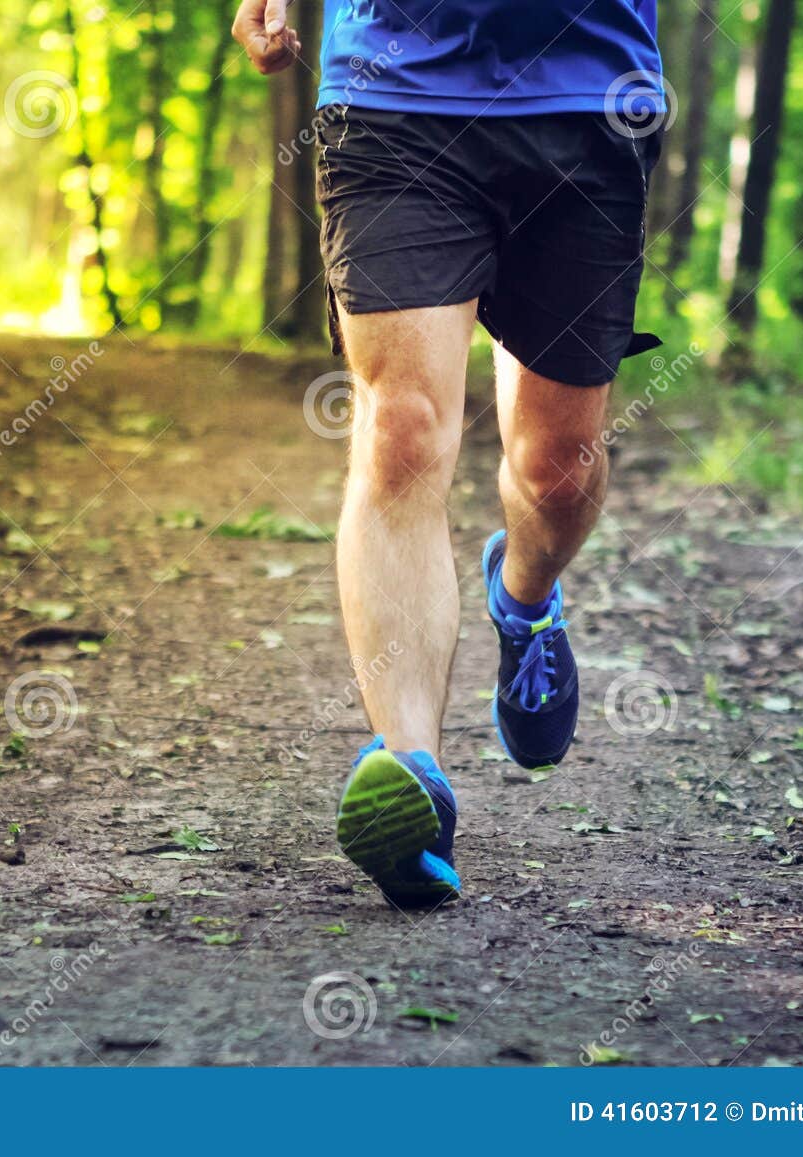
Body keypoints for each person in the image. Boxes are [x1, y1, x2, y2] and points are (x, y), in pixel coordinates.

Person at [233, 0, 666, 906]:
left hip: (587, 92)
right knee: (402, 430)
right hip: (394, 92)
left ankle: (528, 598)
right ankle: (410, 777)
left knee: (561, 465)